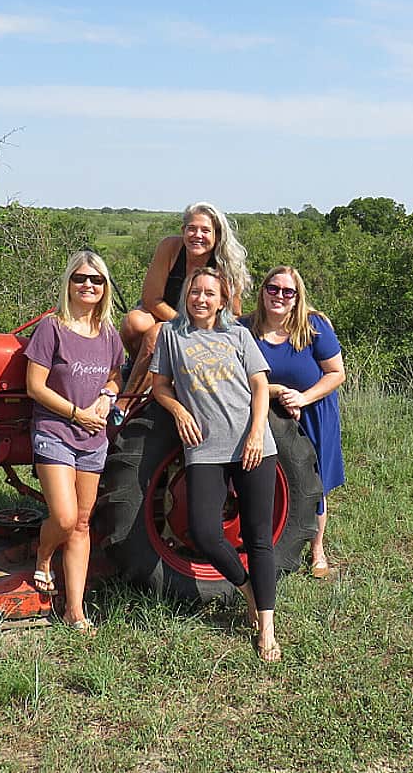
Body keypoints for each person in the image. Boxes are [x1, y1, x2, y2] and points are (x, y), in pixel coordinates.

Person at [149, 266, 282, 662]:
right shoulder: (172, 335)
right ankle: (247, 589)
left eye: (210, 293)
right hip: (204, 448)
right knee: (205, 532)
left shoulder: (238, 334)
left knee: (259, 538)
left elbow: (259, 385)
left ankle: (267, 629)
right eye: (195, 291)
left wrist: (256, 432)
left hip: (253, 445)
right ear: (186, 296)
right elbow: (160, 386)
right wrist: (178, 410)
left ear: (223, 300)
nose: (201, 299)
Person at [24, 250, 124, 633]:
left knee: (82, 523)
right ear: (68, 283)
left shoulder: (108, 333)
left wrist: (109, 395)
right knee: (65, 518)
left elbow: (115, 376)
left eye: (96, 280)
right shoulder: (52, 328)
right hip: (56, 431)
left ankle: (74, 610)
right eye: (80, 278)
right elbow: (35, 386)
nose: (88, 285)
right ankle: (43, 554)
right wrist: (75, 413)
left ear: (105, 287)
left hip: (93, 438)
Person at [244, 266, 346, 578]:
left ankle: (317, 549)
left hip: (312, 410)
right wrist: (276, 391)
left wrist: (302, 398)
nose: (279, 296)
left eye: (288, 291)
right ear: (263, 291)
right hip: (264, 410)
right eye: (273, 288)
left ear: (297, 297)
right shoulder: (244, 328)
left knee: (314, 483)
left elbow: (336, 373)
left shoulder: (313, 326)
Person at [119, 202, 252, 400]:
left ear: (217, 235)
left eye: (205, 230)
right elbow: (151, 299)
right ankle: (142, 369)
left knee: (157, 335)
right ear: (183, 230)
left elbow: (234, 313)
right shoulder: (170, 248)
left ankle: (127, 402)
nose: (197, 235)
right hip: (164, 313)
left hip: (204, 326)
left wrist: (194, 327)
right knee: (134, 322)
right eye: (192, 228)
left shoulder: (225, 263)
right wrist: (179, 322)